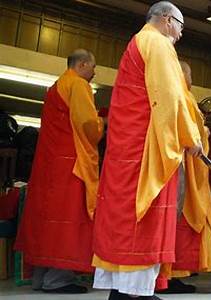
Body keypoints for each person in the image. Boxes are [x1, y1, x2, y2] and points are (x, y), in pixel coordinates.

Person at [91, 2, 203, 299]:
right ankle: (134, 293)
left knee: (125, 215)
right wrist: (190, 136)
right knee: (145, 214)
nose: (181, 34)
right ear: (167, 20)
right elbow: (169, 97)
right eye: (180, 25)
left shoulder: (138, 41)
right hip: (147, 148)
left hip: (127, 147)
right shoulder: (158, 43)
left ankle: (124, 291)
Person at [15, 49, 103, 294]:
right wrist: (101, 124)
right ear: (83, 64)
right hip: (71, 163)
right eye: (93, 67)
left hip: (48, 166)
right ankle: (58, 280)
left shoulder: (55, 87)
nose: (94, 73)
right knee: (68, 219)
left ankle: (41, 278)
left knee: (47, 221)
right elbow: (87, 125)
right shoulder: (78, 85)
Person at [155, 61, 211, 294]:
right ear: (182, 74)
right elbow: (191, 135)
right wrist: (204, 133)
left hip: (168, 166)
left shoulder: (168, 94)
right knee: (178, 221)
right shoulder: (182, 96)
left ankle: (168, 275)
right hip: (181, 168)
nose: (192, 80)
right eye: (190, 74)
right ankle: (169, 276)